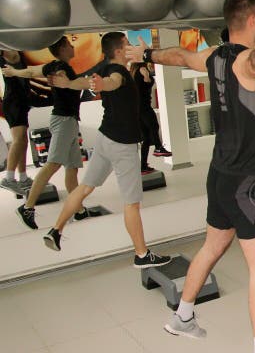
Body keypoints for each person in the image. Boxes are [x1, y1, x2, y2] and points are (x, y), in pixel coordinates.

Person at [127, 0, 255, 353]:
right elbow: (254, 65)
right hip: (247, 181)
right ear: (254, 20)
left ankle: (183, 316)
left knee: (213, 245)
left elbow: (177, 56)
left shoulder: (213, 55)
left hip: (220, 174)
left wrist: (144, 55)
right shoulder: (245, 59)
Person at [43, 32, 172, 270]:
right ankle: (142, 255)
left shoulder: (104, 66)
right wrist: (102, 85)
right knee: (131, 203)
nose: (131, 46)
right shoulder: (119, 72)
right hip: (122, 145)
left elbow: (86, 81)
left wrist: (71, 83)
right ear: (120, 50)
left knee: (85, 187)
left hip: (104, 138)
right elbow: (112, 82)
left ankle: (56, 229)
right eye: (128, 44)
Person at [2, 37, 98, 230]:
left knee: (72, 168)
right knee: (51, 165)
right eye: (70, 45)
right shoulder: (60, 67)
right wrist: (92, 82)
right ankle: (28, 208)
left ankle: (78, 210)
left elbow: (30, 71)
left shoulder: (54, 65)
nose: (73, 47)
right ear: (62, 48)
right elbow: (75, 82)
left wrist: (13, 71)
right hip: (63, 121)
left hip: (68, 121)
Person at [0, 50, 34, 192]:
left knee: (23, 141)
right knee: (19, 140)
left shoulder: (19, 51)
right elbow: (12, 56)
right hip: (13, 102)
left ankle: (23, 177)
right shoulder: (6, 55)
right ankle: (9, 178)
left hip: (21, 101)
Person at [131, 62, 171, 174]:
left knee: (146, 139)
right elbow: (147, 81)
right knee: (154, 126)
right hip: (144, 107)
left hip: (137, 109)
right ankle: (158, 148)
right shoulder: (142, 69)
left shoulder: (133, 71)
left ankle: (143, 166)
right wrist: (147, 76)